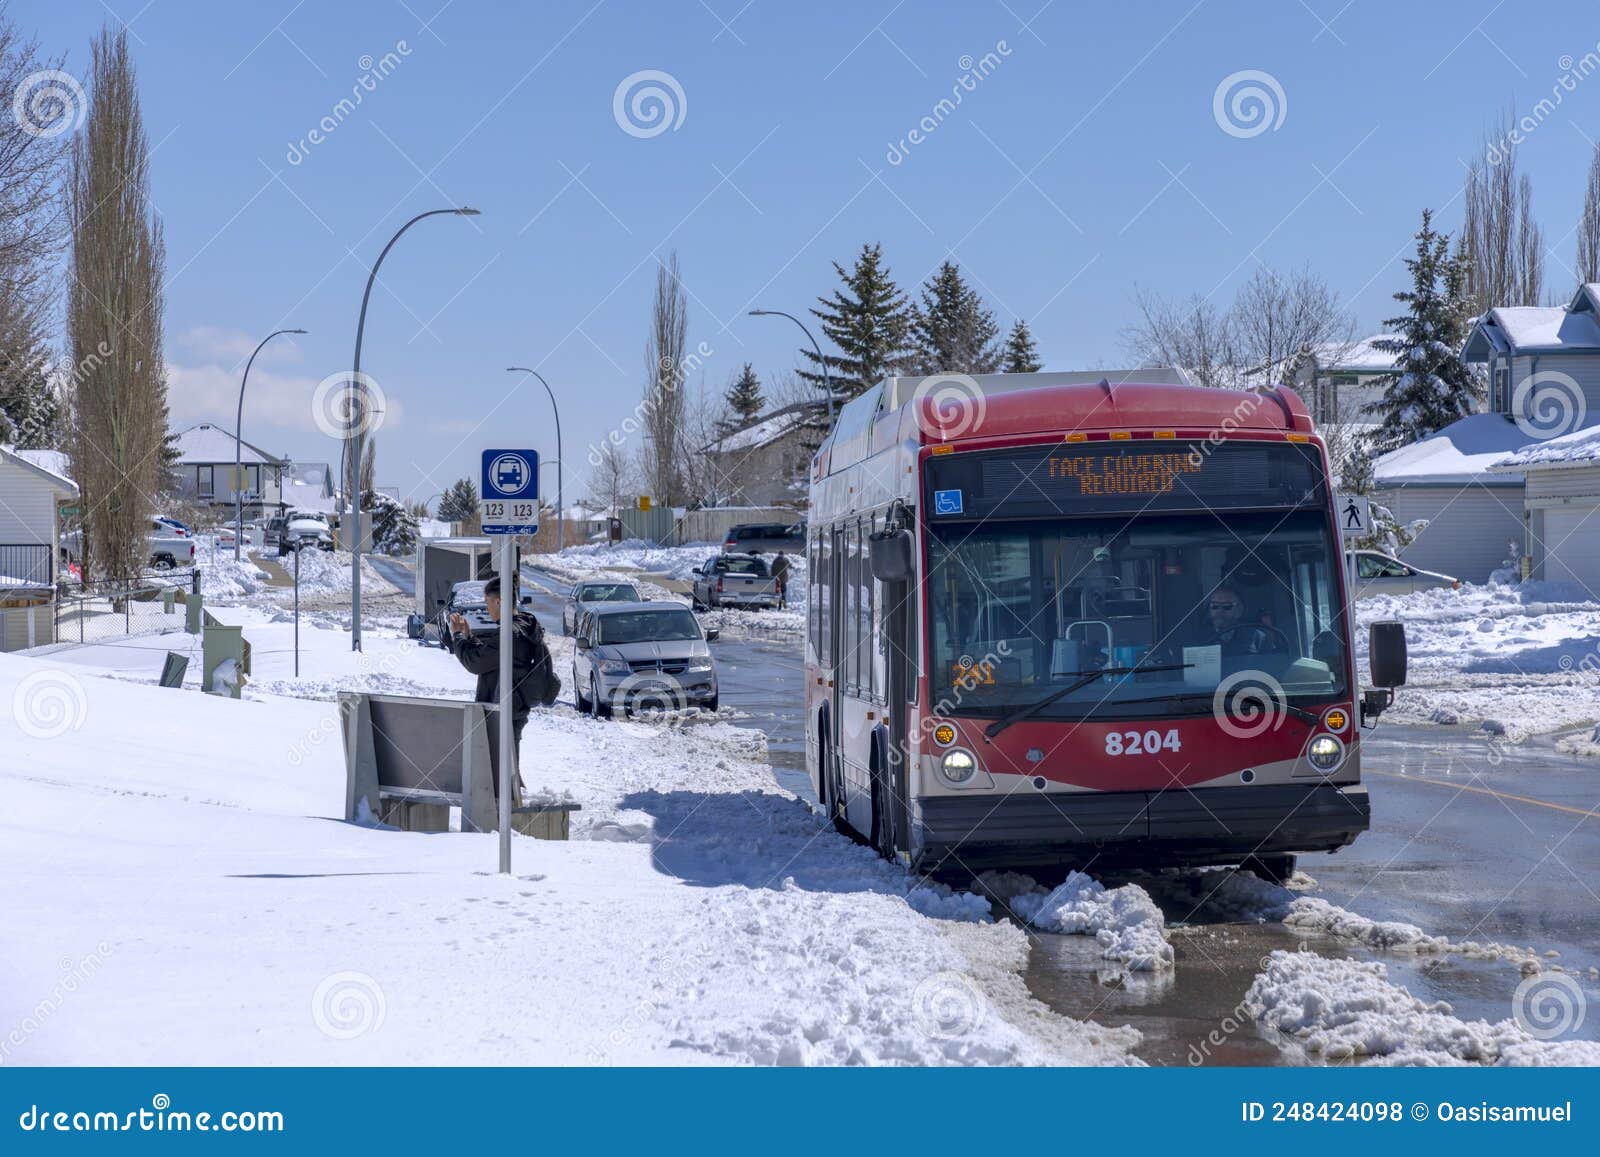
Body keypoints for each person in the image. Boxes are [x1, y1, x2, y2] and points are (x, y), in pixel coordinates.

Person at [449, 575, 559, 772]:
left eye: (487, 602)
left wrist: (458, 637)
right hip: (513, 706)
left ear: (498, 601)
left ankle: (509, 799)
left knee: (503, 772)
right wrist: (469, 637)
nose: (486, 608)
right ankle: (510, 797)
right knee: (506, 768)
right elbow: (492, 658)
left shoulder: (510, 634)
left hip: (505, 708)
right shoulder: (522, 628)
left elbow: (475, 663)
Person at [1203, 583, 1278, 656]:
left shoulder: (1257, 637)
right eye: (1214, 606)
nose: (1219, 611)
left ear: (1239, 610)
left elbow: (1272, 664)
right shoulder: (1198, 638)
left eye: (1227, 606)